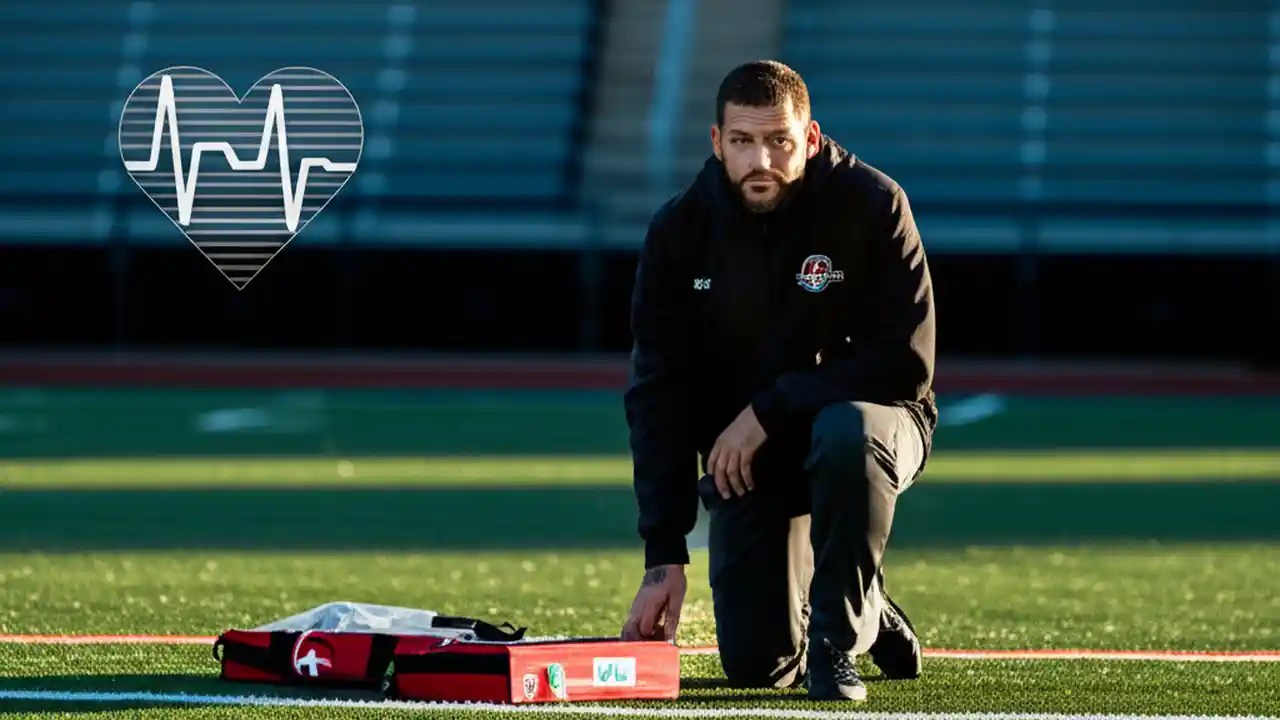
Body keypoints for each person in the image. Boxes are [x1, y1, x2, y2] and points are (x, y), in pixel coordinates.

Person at [618, 59, 938, 702]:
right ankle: (865, 601)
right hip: (753, 460)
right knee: (755, 667)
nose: (761, 159)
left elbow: (907, 363)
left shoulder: (874, 204)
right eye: (742, 142)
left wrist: (770, 407)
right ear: (716, 142)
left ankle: (836, 644)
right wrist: (663, 552)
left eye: (779, 141)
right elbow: (658, 393)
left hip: (873, 426)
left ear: (811, 138)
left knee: (848, 430)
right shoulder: (680, 231)